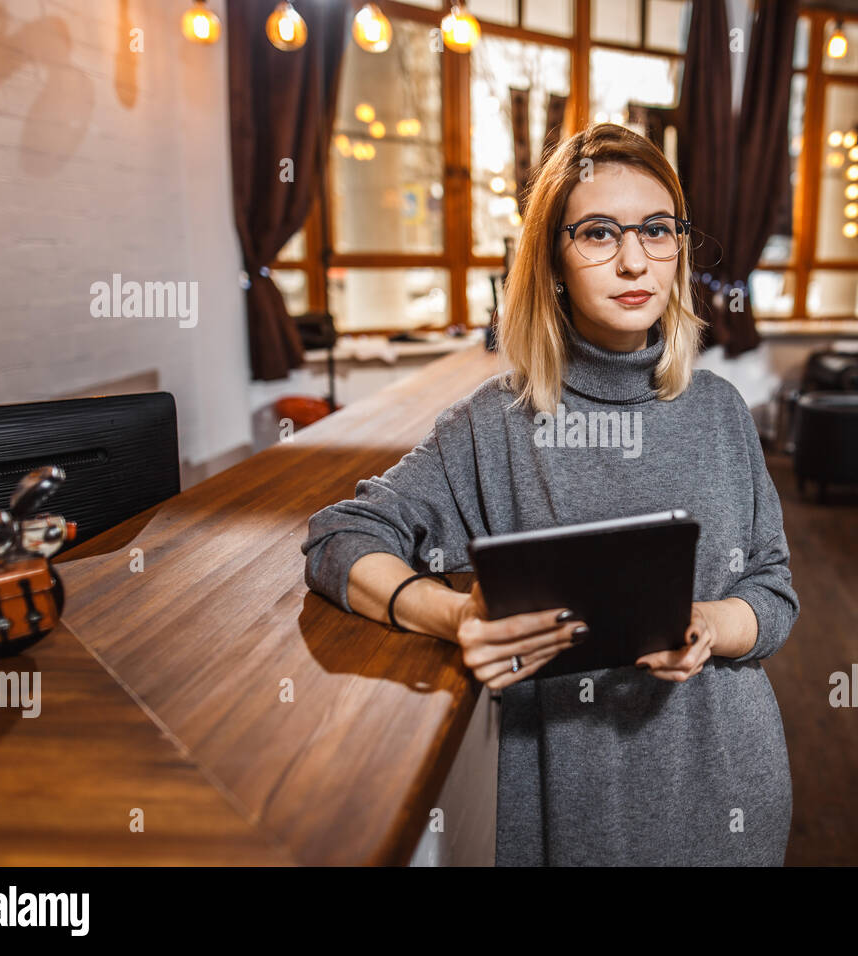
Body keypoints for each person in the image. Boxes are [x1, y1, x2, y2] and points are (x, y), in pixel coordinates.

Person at [302, 123, 799, 866]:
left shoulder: (721, 410)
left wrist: (708, 624)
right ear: (554, 260)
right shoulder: (492, 427)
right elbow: (340, 536)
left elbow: (774, 592)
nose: (634, 259)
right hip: (572, 808)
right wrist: (454, 616)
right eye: (599, 232)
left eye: (657, 230)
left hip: (729, 789)